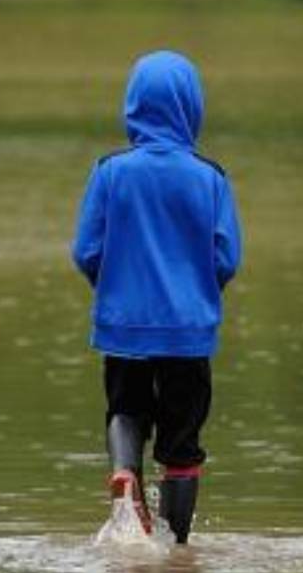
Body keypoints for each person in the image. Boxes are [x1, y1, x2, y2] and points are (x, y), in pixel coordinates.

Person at [72, 50, 241, 543]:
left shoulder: (110, 172)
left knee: (126, 409)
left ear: (132, 105)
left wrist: (115, 289)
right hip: (188, 333)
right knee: (183, 444)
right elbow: (226, 257)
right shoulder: (210, 177)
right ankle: (175, 545)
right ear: (192, 106)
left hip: (124, 327)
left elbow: (86, 249)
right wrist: (196, 298)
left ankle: (126, 472)